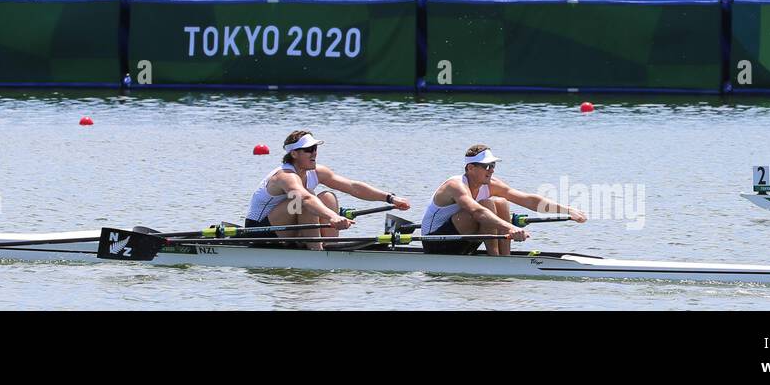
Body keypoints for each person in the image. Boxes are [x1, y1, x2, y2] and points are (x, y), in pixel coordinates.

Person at [244, 130, 411, 248]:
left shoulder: (316, 172)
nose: (314, 153)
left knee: (328, 197)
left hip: (287, 228)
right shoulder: (285, 176)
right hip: (260, 231)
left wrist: (390, 198)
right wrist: (333, 217)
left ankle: (330, 247)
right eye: (309, 150)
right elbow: (305, 199)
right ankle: (317, 251)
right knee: (305, 200)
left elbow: (352, 187)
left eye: (315, 148)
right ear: (294, 154)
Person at [420, 145, 586, 256]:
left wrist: (568, 210)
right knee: (486, 205)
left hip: (462, 238)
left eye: (493, 165)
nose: (491, 170)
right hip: (436, 243)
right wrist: (511, 227)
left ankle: (504, 259)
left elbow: (529, 200)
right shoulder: (455, 185)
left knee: (501, 202)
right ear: (471, 168)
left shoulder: (491, 184)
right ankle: (495, 261)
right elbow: (477, 212)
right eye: (487, 166)